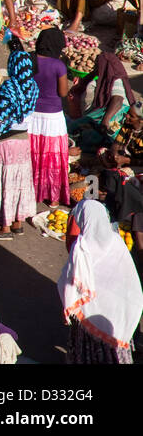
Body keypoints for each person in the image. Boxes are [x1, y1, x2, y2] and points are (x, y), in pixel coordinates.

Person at [59, 199, 143, 364]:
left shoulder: (82, 247)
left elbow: (69, 281)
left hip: (89, 315)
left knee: (89, 354)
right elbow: (130, 280)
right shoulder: (117, 241)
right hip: (117, 316)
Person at [0, 49, 38, 239]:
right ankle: (17, 223)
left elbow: (0, 120)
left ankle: (5, 227)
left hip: (7, 142)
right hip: (24, 140)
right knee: (21, 180)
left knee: (5, 182)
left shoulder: (8, 89)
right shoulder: (32, 86)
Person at [30, 28, 71, 206]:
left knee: (34, 154)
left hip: (31, 114)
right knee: (52, 156)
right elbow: (62, 92)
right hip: (52, 117)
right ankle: (53, 198)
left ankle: (32, 190)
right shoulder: (58, 65)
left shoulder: (30, 60)